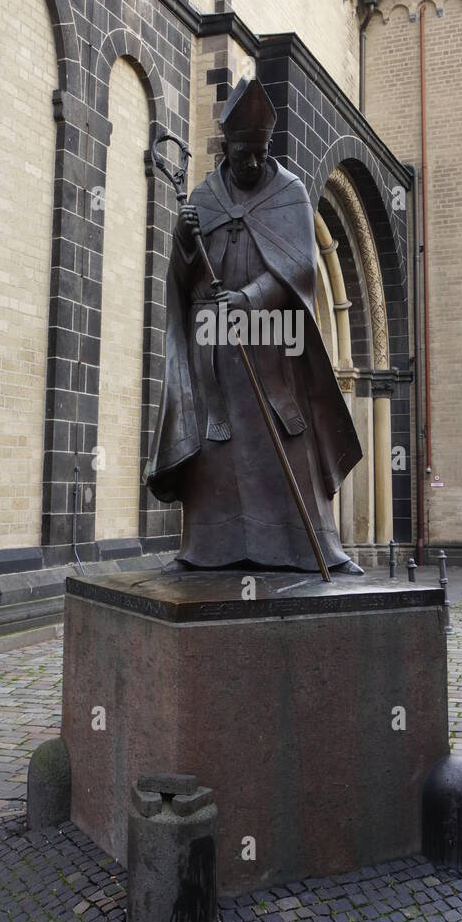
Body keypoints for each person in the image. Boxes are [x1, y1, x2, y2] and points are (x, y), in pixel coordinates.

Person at [145, 76, 364, 573]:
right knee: (216, 448)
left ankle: (318, 549)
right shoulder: (202, 198)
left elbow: (301, 269)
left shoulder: (289, 194)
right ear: (227, 146)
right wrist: (183, 241)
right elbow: (182, 278)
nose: (251, 162)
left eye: (259, 153)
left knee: (287, 441)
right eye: (243, 153)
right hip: (214, 349)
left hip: (270, 346)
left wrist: (246, 299)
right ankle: (204, 549)